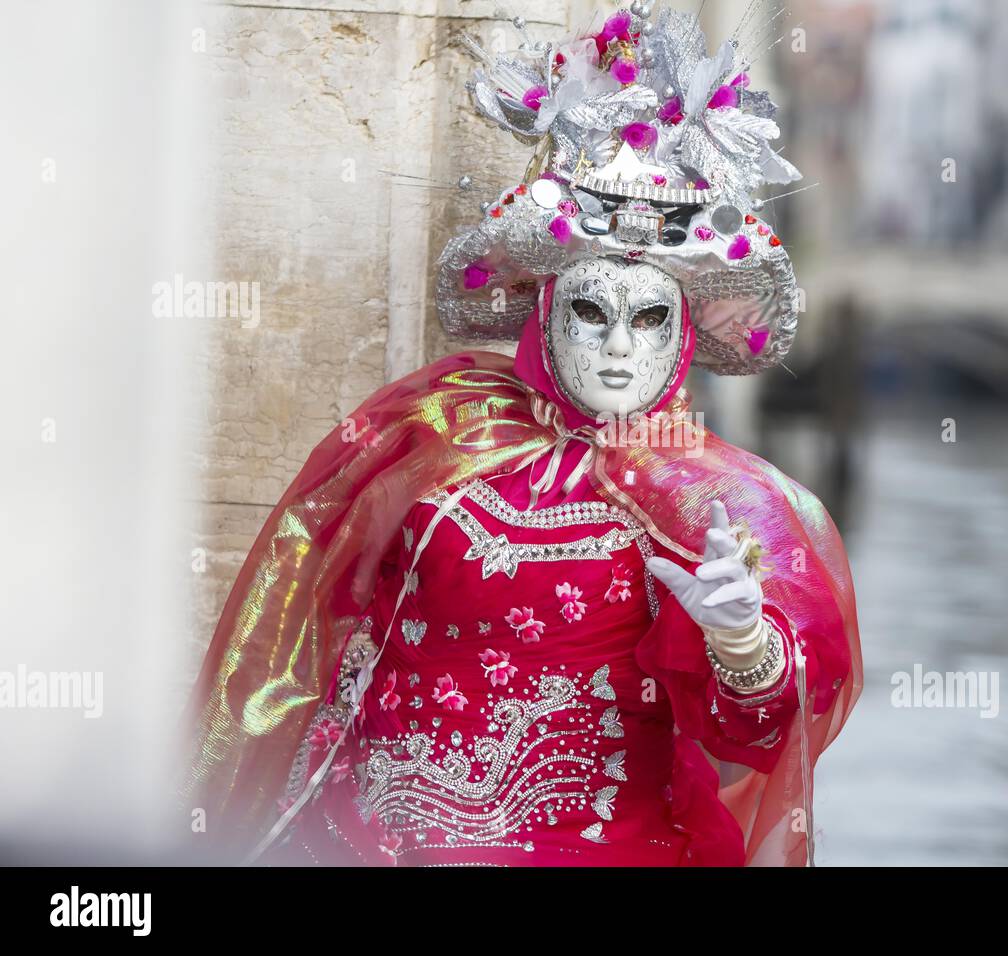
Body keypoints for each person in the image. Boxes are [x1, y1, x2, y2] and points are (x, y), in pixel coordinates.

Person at [183, 2, 862, 867]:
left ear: (687, 332)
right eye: (590, 310)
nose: (619, 347)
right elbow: (318, 630)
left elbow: (771, 727)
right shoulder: (432, 427)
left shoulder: (719, 502)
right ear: (543, 310)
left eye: (649, 318)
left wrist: (742, 640)